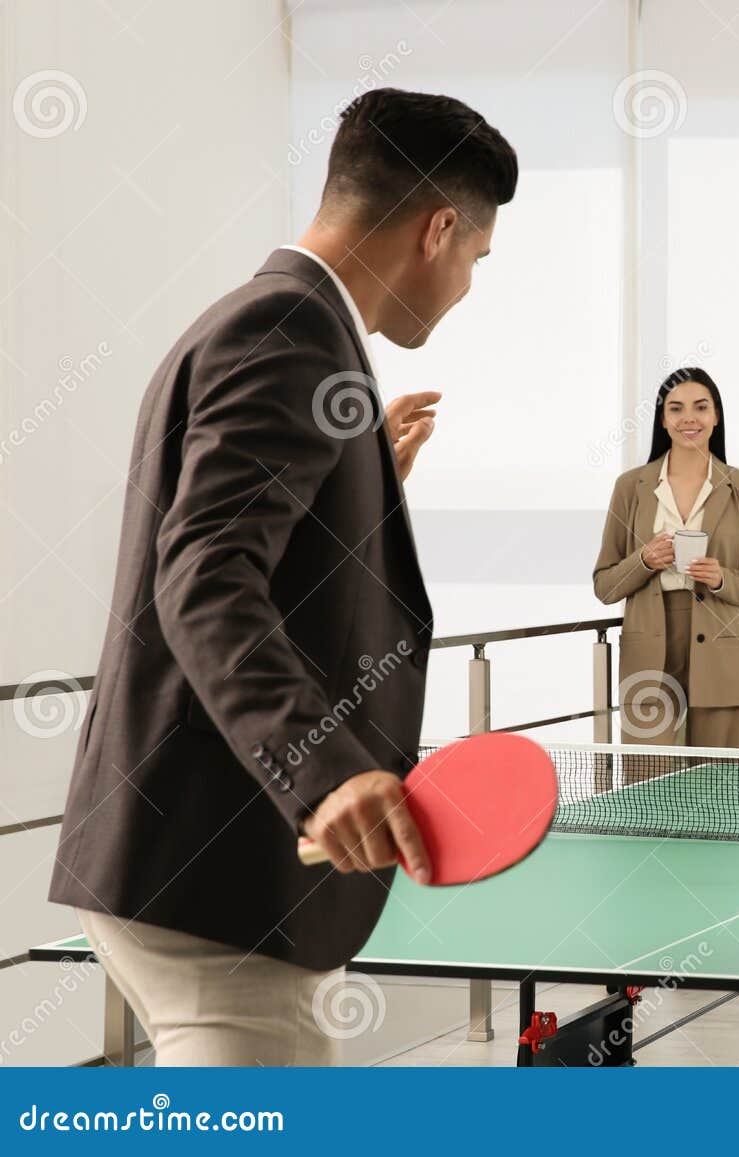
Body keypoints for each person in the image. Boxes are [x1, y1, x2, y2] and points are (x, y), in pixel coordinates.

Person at [47, 88, 518, 1065]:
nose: (471, 282)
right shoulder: (292, 332)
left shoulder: (274, 321)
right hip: (219, 870)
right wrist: (324, 770)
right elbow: (208, 574)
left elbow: (237, 534)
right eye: (477, 254)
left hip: (208, 861)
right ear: (438, 229)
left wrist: (362, 482)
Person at [593, 368, 739, 749]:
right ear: (663, 419)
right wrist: (644, 561)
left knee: (724, 785)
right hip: (648, 646)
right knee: (646, 780)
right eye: (676, 409)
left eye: (700, 407)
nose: (689, 418)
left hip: (722, 644)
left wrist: (722, 579)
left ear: (716, 416)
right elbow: (604, 586)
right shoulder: (631, 486)